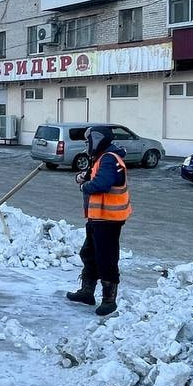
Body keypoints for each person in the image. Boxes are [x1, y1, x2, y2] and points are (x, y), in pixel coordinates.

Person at [66, 125, 132, 316]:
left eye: (88, 141)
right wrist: (83, 177)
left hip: (109, 219)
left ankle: (109, 300)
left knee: (106, 259)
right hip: (98, 218)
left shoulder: (110, 160)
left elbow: (102, 184)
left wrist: (84, 186)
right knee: (89, 253)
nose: (87, 145)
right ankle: (87, 292)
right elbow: (91, 176)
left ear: (97, 140)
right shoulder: (101, 158)